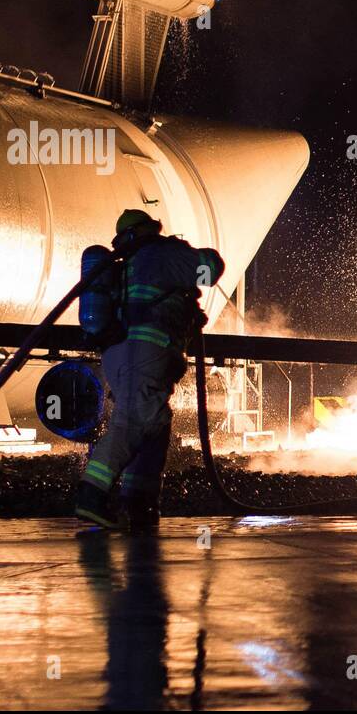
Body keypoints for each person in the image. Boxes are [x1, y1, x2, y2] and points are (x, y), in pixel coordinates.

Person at [74, 209, 225, 529]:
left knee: (155, 423)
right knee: (133, 421)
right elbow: (210, 270)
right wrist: (195, 254)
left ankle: (139, 502)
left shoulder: (125, 264)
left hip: (120, 354)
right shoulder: (161, 253)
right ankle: (92, 494)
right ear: (149, 230)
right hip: (144, 350)